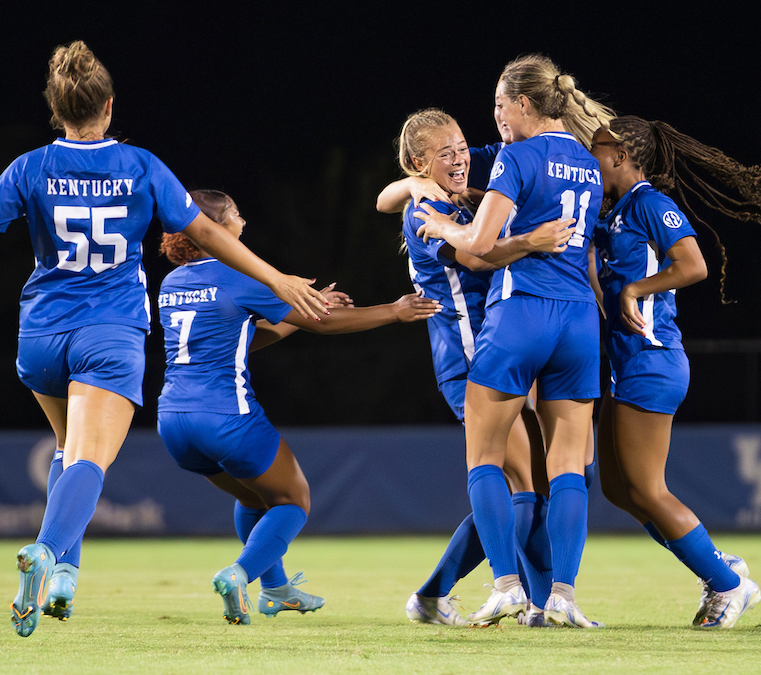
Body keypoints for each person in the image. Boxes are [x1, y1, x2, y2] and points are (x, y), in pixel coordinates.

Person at [0, 41, 329, 638]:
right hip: (108, 334)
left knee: (65, 449)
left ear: (56, 109)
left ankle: (64, 578)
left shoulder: (29, 167)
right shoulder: (140, 166)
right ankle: (47, 552)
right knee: (89, 460)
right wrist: (277, 278)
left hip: (41, 334)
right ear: (108, 105)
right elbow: (207, 232)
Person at [156, 189, 439, 624]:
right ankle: (240, 574)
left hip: (173, 422)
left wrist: (302, 309)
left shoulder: (172, 283)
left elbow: (245, 340)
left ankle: (276, 589)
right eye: (234, 212)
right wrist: (393, 311)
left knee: (257, 495)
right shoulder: (237, 273)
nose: (242, 220)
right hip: (225, 416)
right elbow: (323, 323)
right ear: (211, 227)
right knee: (293, 500)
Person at [415, 55, 613, 628]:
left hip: (521, 312)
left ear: (522, 103)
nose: (496, 115)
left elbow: (477, 243)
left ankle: (505, 586)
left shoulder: (517, 155)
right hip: (579, 320)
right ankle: (564, 597)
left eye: (500, 104)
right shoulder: (588, 161)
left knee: (486, 458)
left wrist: (444, 226)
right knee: (569, 466)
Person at [589, 115, 761, 629]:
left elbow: (693, 266)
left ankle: (729, 584)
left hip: (652, 360)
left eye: (598, 147)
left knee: (648, 490)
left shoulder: (651, 203)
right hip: (627, 364)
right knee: (615, 488)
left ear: (622, 154)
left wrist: (635, 289)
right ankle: (717, 565)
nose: (592, 156)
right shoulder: (617, 211)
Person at [386, 108, 574, 627]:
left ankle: (446, 595)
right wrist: (532, 242)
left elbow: (389, 195)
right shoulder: (427, 210)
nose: (461, 158)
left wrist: (408, 183)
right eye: (445, 153)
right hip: (469, 357)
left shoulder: (442, 197)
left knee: (529, 482)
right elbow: (477, 259)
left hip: (499, 349)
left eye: (462, 146)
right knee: (524, 485)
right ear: (421, 161)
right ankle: (524, 599)